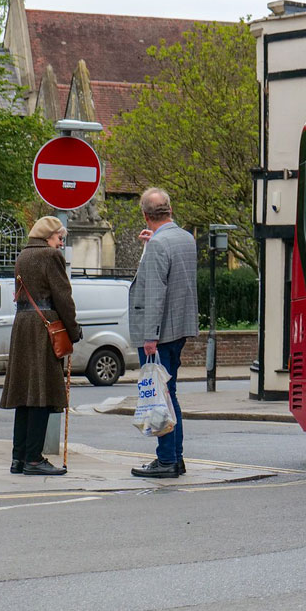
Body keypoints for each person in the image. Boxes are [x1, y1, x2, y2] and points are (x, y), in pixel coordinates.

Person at [0, 216, 81, 476]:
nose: (60, 244)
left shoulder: (23, 256)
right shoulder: (50, 256)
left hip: (23, 325)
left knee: (25, 394)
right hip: (44, 327)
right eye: (59, 238)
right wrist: (74, 329)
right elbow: (63, 297)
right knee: (41, 394)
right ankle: (34, 459)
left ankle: (19, 458)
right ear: (48, 236)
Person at [128, 188, 199, 479]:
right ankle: (176, 458)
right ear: (169, 210)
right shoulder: (186, 238)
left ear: (145, 215)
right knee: (169, 395)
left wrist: (150, 337)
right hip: (179, 328)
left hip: (159, 334)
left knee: (159, 397)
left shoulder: (159, 244)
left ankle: (167, 459)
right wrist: (151, 244)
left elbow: (156, 293)